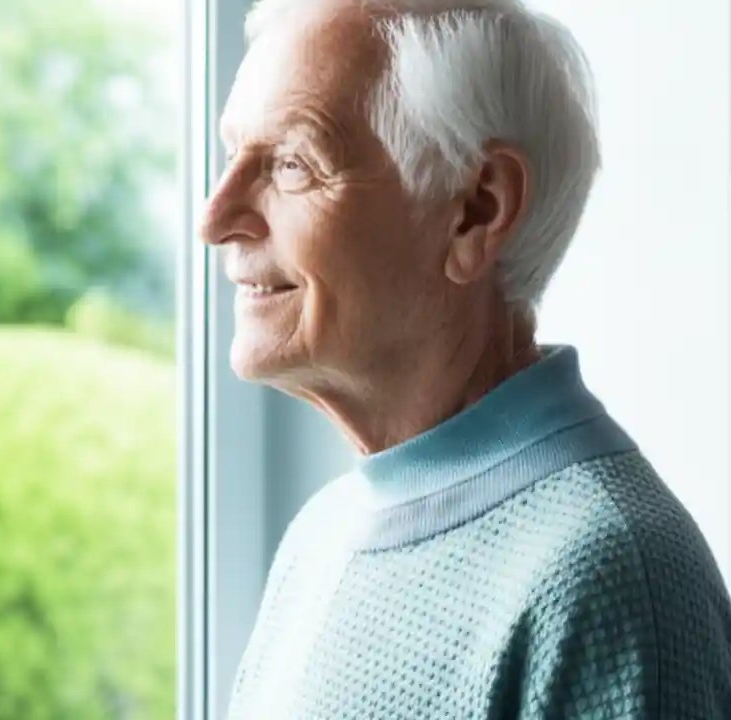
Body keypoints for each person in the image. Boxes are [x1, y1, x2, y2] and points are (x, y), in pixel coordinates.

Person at [202, 0, 731, 716]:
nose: (216, 217)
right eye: (235, 155)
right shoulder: (322, 535)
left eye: (293, 163)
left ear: (476, 211)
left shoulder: (608, 574)